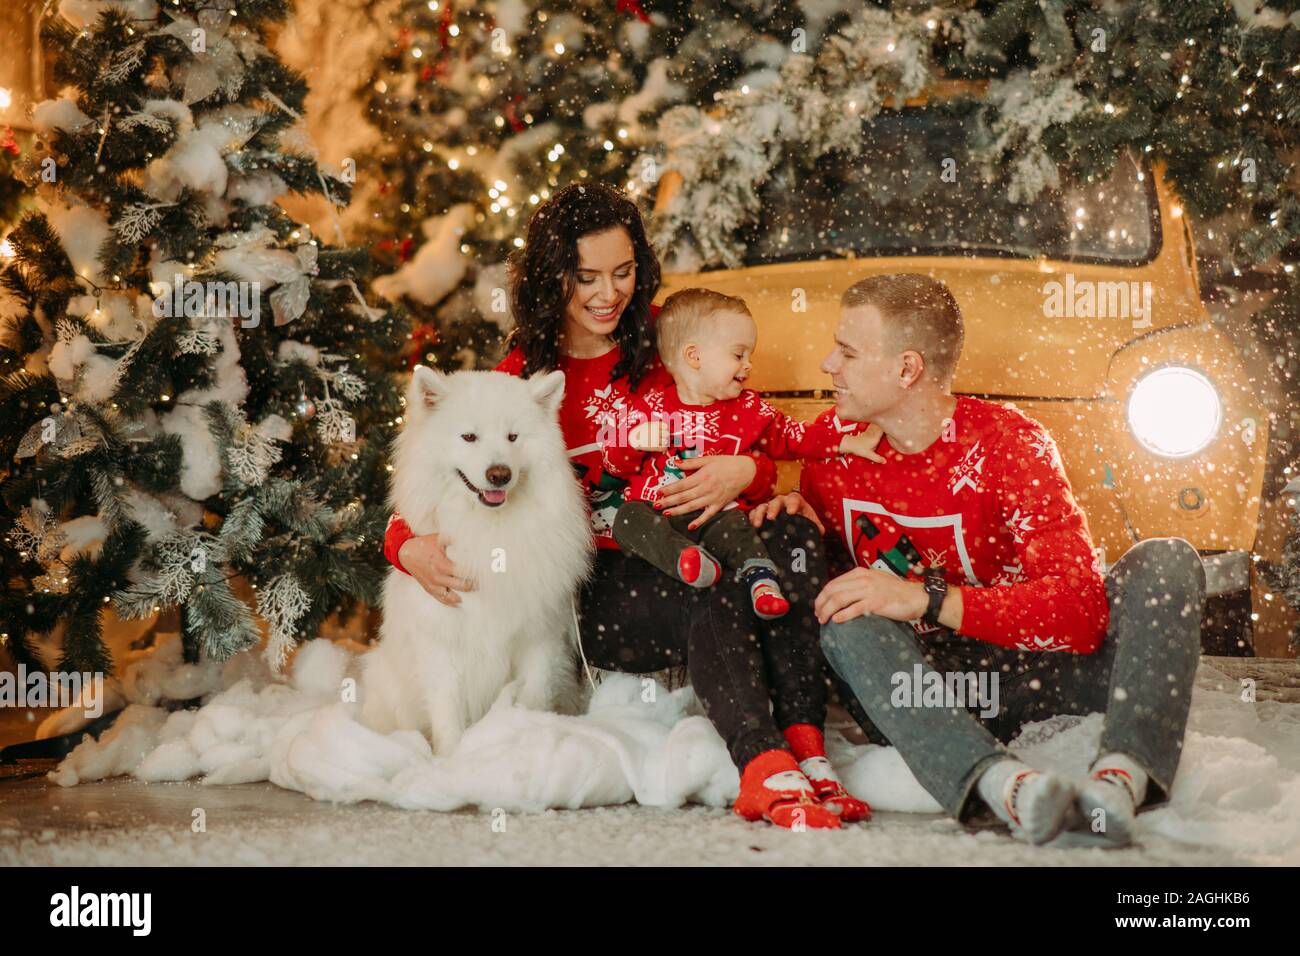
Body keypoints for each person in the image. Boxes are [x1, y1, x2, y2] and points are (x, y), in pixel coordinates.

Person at [384, 183, 868, 828]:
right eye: (585, 277)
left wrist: (750, 470)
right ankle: (761, 760)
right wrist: (401, 543)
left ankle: (808, 755)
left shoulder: (672, 341)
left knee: (793, 544)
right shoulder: (524, 371)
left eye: (622, 272)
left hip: (700, 534)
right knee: (719, 586)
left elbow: (743, 422)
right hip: (608, 581)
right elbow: (439, 461)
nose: (607, 293)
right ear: (553, 278)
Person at [751, 273, 1206, 846]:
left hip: (1038, 676)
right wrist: (793, 518)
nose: (827, 364)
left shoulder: (1009, 444)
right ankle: (1001, 787)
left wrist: (929, 598)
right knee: (846, 618)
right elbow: (832, 592)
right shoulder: (837, 450)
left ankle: (1120, 782)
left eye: (846, 351)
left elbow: (1081, 611)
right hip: (926, 690)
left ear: (907, 369)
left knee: (1165, 559)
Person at [602, 287, 884, 621]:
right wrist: (632, 441)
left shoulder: (749, 408)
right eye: (739, 355)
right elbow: (614, 465)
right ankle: (685, 559)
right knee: (627, 518)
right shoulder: (648, 408)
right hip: (659, 511)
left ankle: (760, 578)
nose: (748, 365)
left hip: (718, 514)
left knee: (736, 526)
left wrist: (845, 442)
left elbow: (795, 436)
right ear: (694, 357)